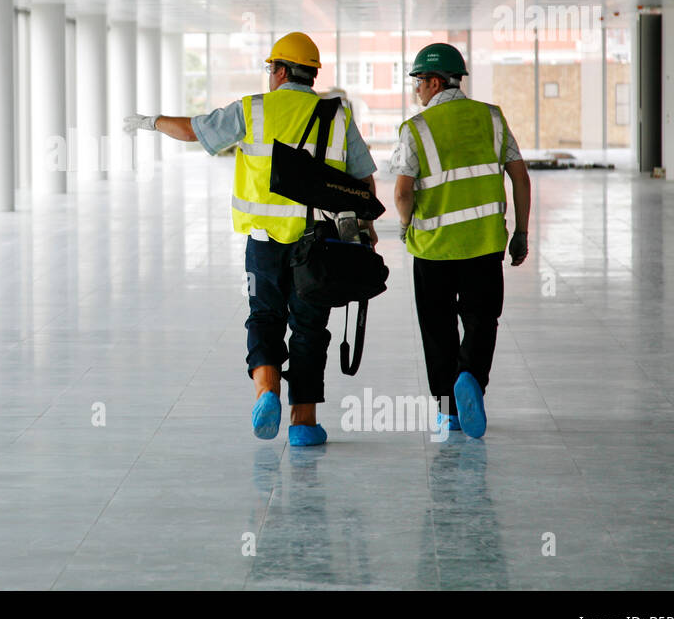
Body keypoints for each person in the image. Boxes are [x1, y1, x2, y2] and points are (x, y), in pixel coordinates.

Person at [123, 32, 378, 447]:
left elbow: (194, 131)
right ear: (310, 74)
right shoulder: (338, 115)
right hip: (317, 245)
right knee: (310, 327)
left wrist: (152, 122)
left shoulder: (253, 110)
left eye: (270, 68)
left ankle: (266, 393)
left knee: (264, 317)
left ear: (279, 71)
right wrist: (365, 233)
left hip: (262, 245)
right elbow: (364, 180)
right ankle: (304, 424)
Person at [389, 43, 531, 439]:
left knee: (437, 328)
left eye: (419, 82)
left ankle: (449, 411)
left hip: (433, 249)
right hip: (484, 244)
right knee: (482, 319)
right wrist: (520, 232)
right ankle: (470, 375)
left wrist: (405, 226)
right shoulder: (492, 118)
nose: (417, 90)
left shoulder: (415, 128)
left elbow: (402, 193)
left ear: (434, 82)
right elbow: (520, 176)